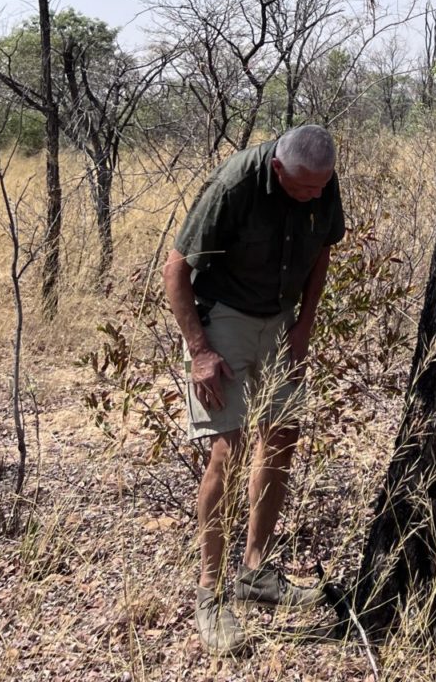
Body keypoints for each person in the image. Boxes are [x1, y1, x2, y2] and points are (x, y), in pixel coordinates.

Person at [163, 123, 345, 655]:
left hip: (280, 320)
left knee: (284, 434)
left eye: (321, 188)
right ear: (277, 168)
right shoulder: (234, 184)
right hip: (224, 321)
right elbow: (175, 270)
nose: (314, 196)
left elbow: (320, 254)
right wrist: (200, 352)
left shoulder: (320, 178)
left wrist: (304, 328)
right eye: (303, 189)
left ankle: (256, 571)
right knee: (231, 449)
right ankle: (211, 593)